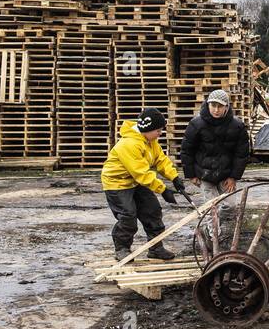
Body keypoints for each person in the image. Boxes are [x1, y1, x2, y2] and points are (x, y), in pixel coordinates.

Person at [100, 108, 187, 261]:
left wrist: (174, 177)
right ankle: (122, 249)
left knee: (152, 210)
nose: (160, 133)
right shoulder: (129, 144)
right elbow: (141, 173)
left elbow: (161, 160)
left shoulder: (150, 141)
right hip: (117, 183)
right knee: (128, 215)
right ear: (147, 128)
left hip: (135, 181)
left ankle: (156, 248)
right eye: (158, 130)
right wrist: (163, 189)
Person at [181, 89, 251, 247]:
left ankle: (212, 223)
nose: (216, 110)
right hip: (205, 174)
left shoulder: (237, 126)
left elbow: (241, 154)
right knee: (211, 208)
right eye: (213, 105)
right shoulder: (196, 124)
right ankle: (214, 239)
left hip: (226, 175)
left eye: (220, 106)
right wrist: (191, 174)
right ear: (208, 105)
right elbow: (187, 150)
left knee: (230, 206)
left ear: (227, 107)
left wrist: (233, 176)